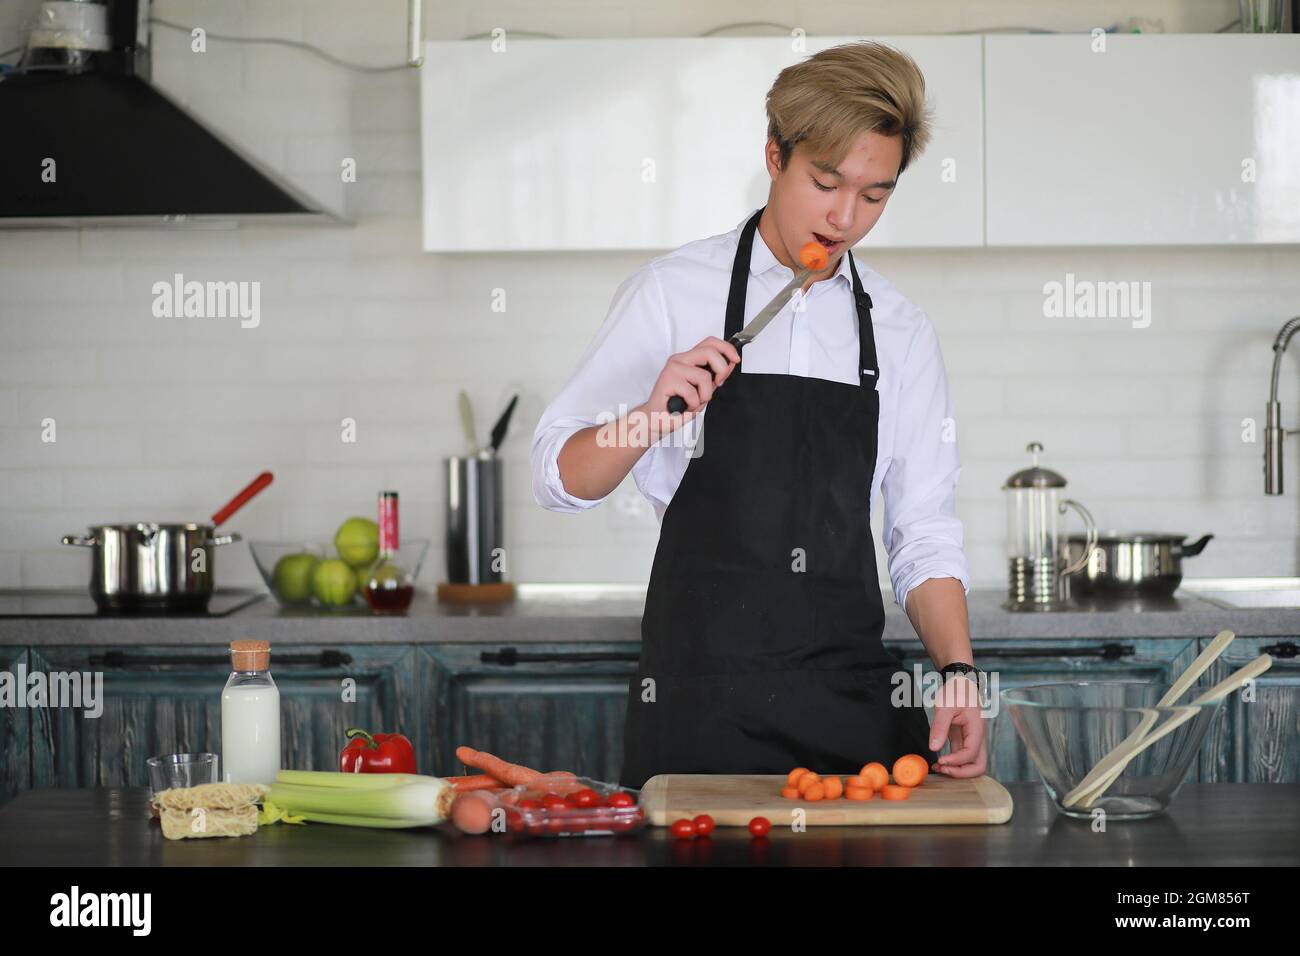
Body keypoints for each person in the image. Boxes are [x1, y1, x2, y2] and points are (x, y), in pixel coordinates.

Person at [531, 41, 986, 790]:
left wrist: (960, 672)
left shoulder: (901, 331)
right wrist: (647, 417)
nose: (844, 217)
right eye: (826, 181)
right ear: (774, 155)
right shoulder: (672, 293)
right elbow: (557, 476)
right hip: (700, 707)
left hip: (847, 711)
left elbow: (924, 530)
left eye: (875, 195)